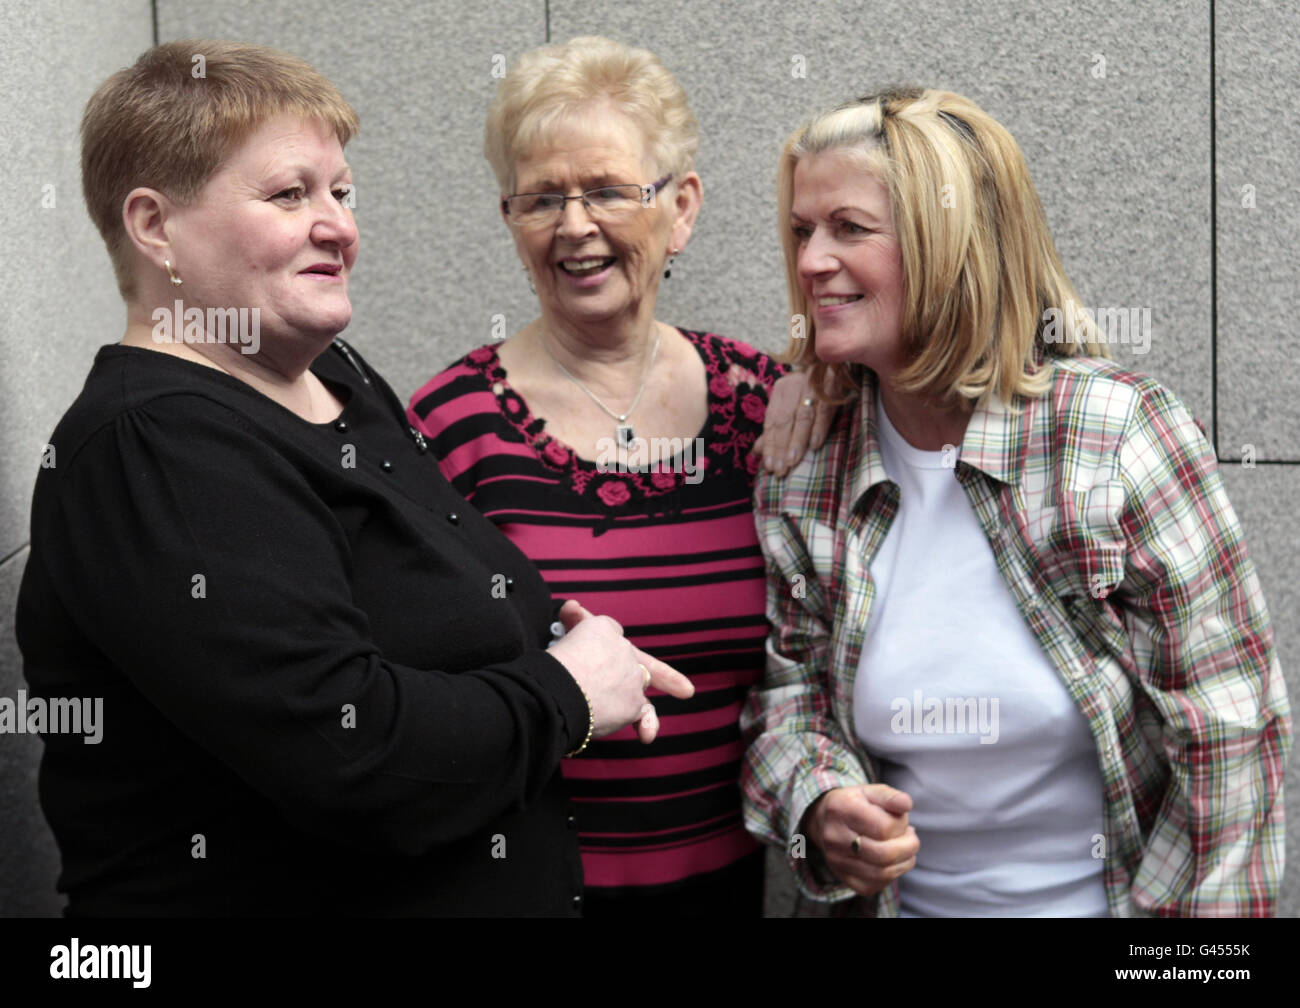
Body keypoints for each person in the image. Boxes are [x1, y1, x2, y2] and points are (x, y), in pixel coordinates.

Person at [16, 39, 692, 917]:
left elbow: (410, 607)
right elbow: (358, 759)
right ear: (154, 226)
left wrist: (549, 640)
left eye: (341, 192)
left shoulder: (332, 376)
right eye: (289, 194)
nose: (338, 225)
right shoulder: (152, 446)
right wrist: (567, 691)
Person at [742, 87, 1291, 917]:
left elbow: (1230, 736)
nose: (812, 260)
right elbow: (792, 703)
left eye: (849, 228)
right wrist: (820, 801)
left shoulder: (1112, 437)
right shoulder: (808, 469)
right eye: (801, 230)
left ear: (948, 244)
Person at [409, 36, 825, 916]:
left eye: (605, 190)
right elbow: (417, 697)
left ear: (681, 207)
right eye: (541, 198)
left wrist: (831, 374)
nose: (574, 225)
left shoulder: (766, 405)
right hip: (522, 893)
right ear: (509, 217)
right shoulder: (448, 426)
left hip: (723, 895)